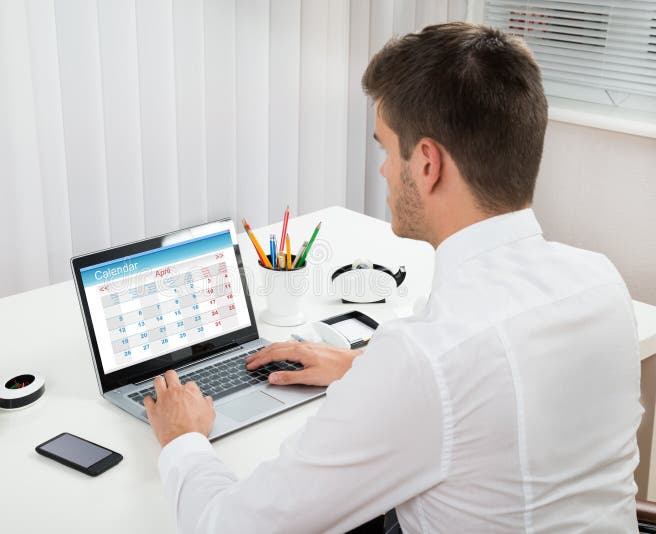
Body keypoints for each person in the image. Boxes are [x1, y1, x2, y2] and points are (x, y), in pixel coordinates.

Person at [143, 22, 642, 533]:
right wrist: (361, 366)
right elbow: (491, 384)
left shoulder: (426, 359)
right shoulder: (600, 283)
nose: (383, 170)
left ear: (427, 164)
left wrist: (183, 440)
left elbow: (227, 527)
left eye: (385, 148)